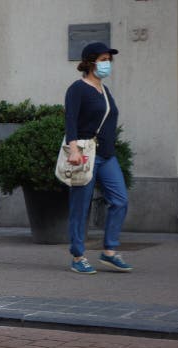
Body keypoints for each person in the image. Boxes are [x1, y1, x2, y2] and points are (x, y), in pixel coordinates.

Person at [64, 42, 131, 274]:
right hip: (84, 154)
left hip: (106, 155)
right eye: (103, 60)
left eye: (109, 60)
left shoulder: (104, 90)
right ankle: (78, 256)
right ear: (91, 62)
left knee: (120, 200)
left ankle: (109, 251)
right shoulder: (77, 89)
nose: (107, 64)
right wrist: (73, 149)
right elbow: (70, 120)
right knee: (80, 207)